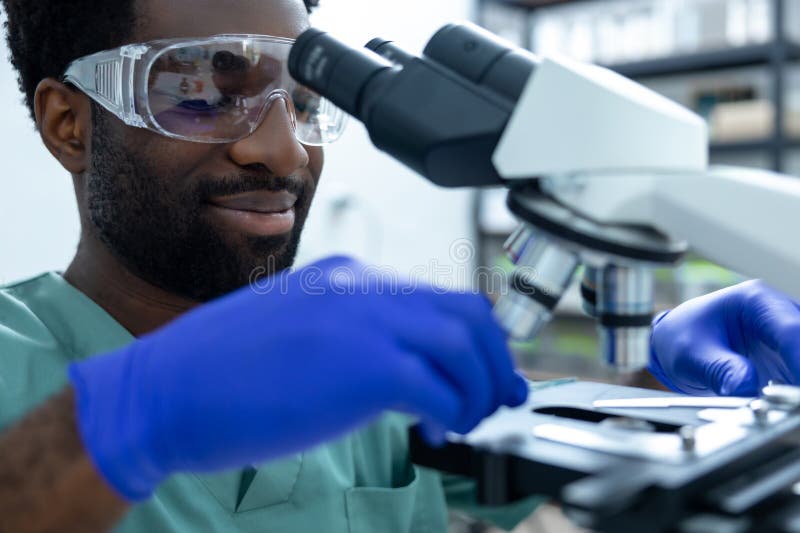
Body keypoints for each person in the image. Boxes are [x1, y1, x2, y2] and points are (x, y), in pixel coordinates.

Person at [0, 1, 543, 532]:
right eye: (208, 94)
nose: (287, 153)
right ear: (69, 124)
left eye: (304, 101)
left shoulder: (363, 369)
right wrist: (147, 404)